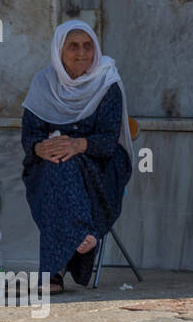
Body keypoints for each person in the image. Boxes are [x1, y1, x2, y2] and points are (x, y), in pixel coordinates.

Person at [21, 20, 133, 293]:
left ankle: (53, 274)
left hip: (101, 165)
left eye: (88, 46)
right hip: (50, 164)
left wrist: (78, 144)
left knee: (62, 166)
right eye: (73, 46)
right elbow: (30, 136)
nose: (82, 53)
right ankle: (82, 233)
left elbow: (108, 141)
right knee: (58, 165)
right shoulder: (43, 82)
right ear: (59, 51)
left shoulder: (108, 82)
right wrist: (40, 148)